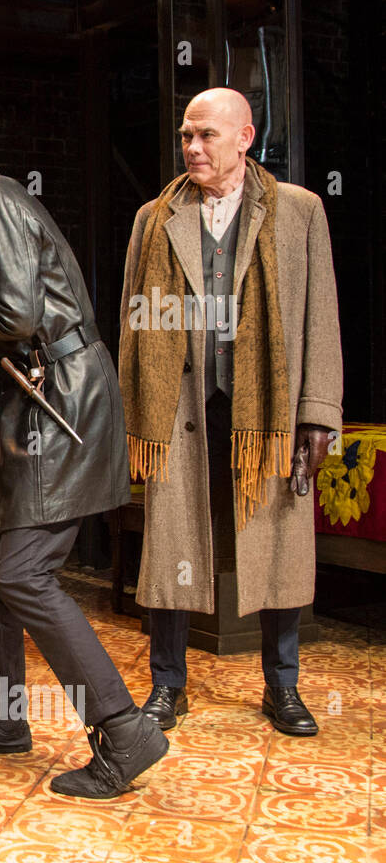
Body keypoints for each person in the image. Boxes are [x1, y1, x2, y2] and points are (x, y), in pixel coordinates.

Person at [0, 85, 168, 798]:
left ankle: (123, 728)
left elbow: (11, 312)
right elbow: (3, 334)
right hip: (40, 397)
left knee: (22, 572)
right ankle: (7, 719)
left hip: (64, 402)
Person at [119, 87, 343, 736]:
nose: (191, 147)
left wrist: (318, 411)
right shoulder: (153, 219)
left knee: (274, 540)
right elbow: (135, 321)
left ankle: (283, 686)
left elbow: (321, 319)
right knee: (173, 544)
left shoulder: (298, 212)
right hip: (180, 409)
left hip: (263, 412)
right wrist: (137, 408)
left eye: (206, 135)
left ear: (245, 137)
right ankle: (168, 685)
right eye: (186, 135)